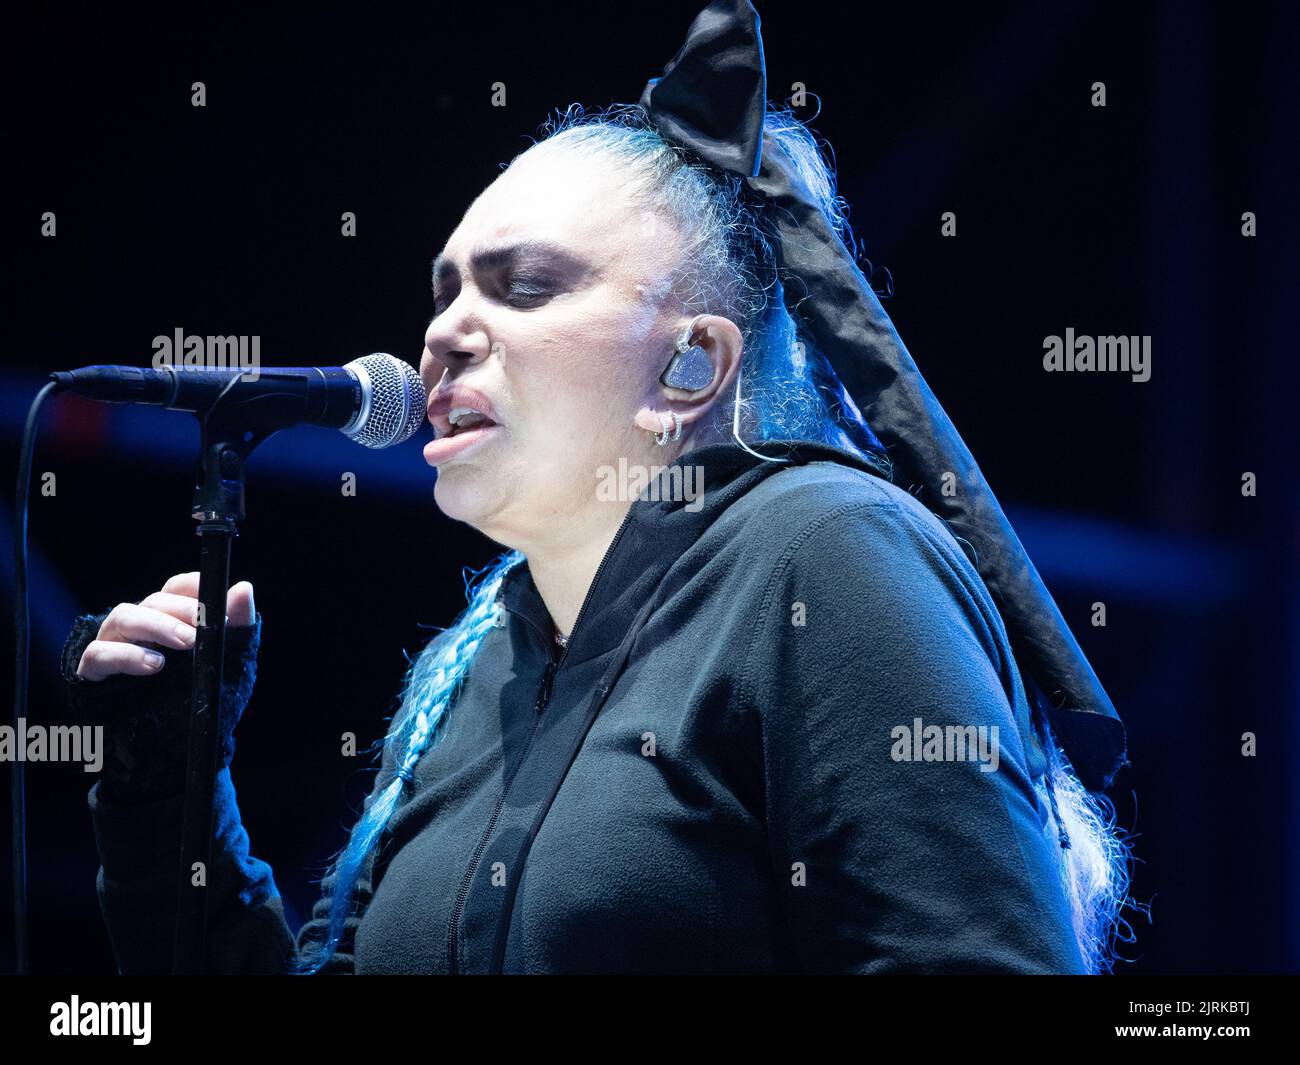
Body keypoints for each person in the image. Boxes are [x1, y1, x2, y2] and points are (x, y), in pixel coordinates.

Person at [60, 5, 1129, 976]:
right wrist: (167, 802)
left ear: (689, 369)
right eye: (443, 293)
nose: (440, 334)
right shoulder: (484, 664)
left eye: (521, 287)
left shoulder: (824, 551)